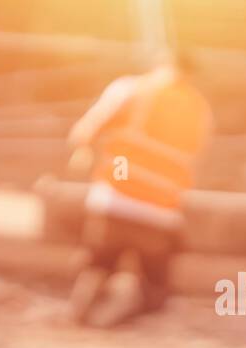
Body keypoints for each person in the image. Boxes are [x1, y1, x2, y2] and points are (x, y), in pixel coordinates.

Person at [65, 49, 213, 328]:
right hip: (161, 210)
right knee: (154, 284)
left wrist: (83, 151)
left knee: (99, 263)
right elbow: (197, 160)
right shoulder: (200, 108)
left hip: (115, 199)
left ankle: (81, 315)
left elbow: (85, 131)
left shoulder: (133, 89)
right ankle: (119, 313)